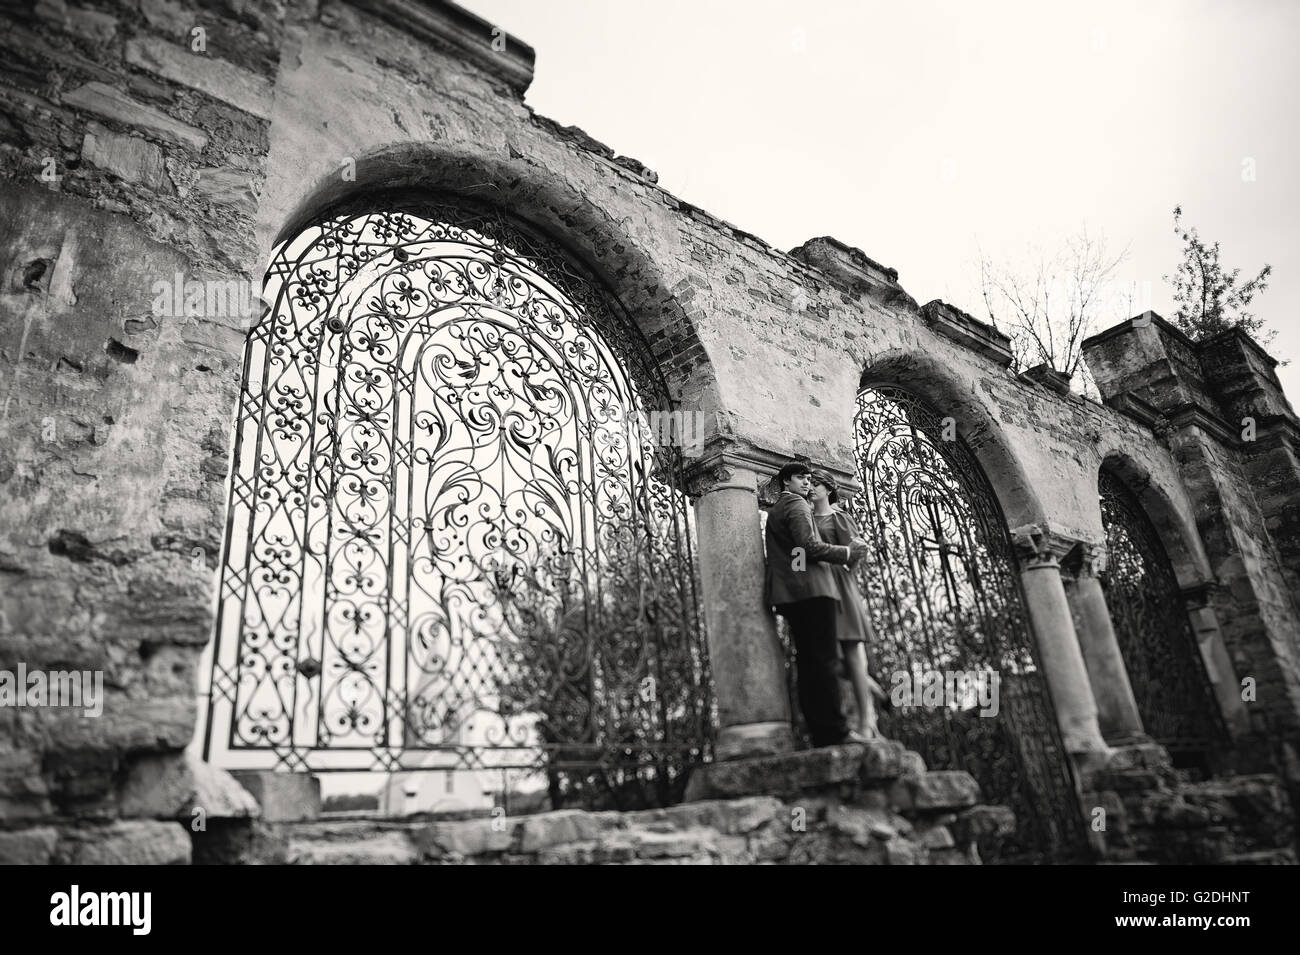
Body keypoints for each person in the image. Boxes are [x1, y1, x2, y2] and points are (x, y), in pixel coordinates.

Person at [764, 460, 872, 747]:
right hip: (812, 591)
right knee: (824, 662)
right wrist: (847, 553)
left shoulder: (778, 509)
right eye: (801, 478)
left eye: (809, 479)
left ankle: (821, 731)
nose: (807, 483)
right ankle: (835, 731)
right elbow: (807, 547)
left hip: (794, 594)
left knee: (811, 663)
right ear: (786, 482)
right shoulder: (797, 505)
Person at [807, 469, 888, 738]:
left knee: (852, 654)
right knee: (829, 661)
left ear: (829, 489)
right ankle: (874, 689)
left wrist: (850, 561)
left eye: (817, 483)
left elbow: (854, 557)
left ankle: (867, 722)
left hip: (841, 584)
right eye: (810, 483)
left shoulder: (840, 518)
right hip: (817, 586)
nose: (811, 487)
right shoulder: (805, 517)